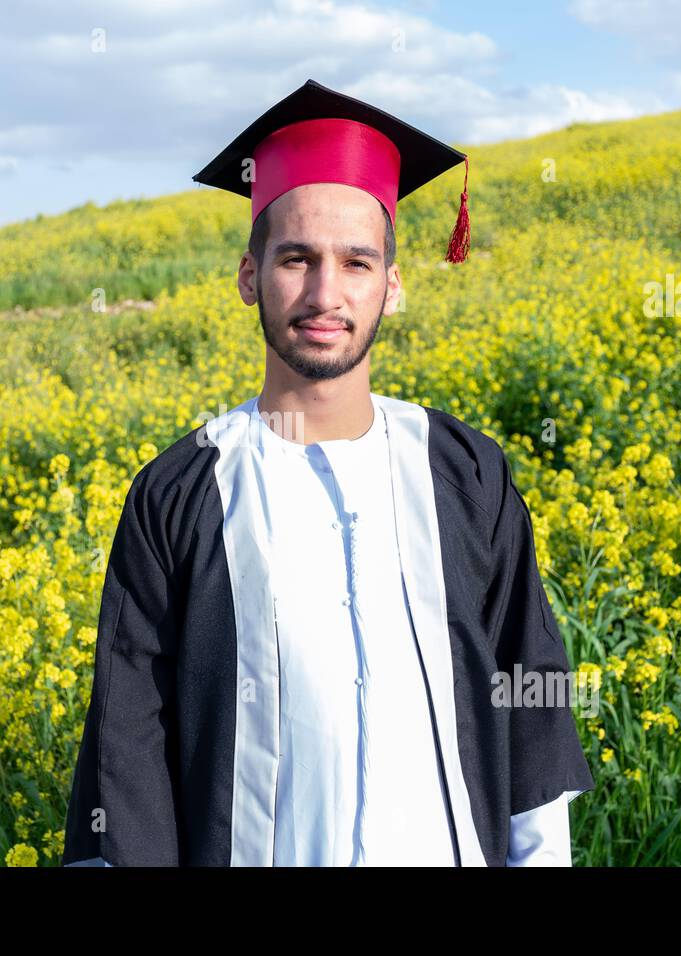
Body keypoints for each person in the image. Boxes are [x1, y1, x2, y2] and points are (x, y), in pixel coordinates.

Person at [62, 78, 595, 867]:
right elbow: (127, 745)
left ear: (392, 282)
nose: (325, 293)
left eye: (355, 262)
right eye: (295, 259)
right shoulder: (179, 495)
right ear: (249, 277)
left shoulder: (467, 473)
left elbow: (529, 693)